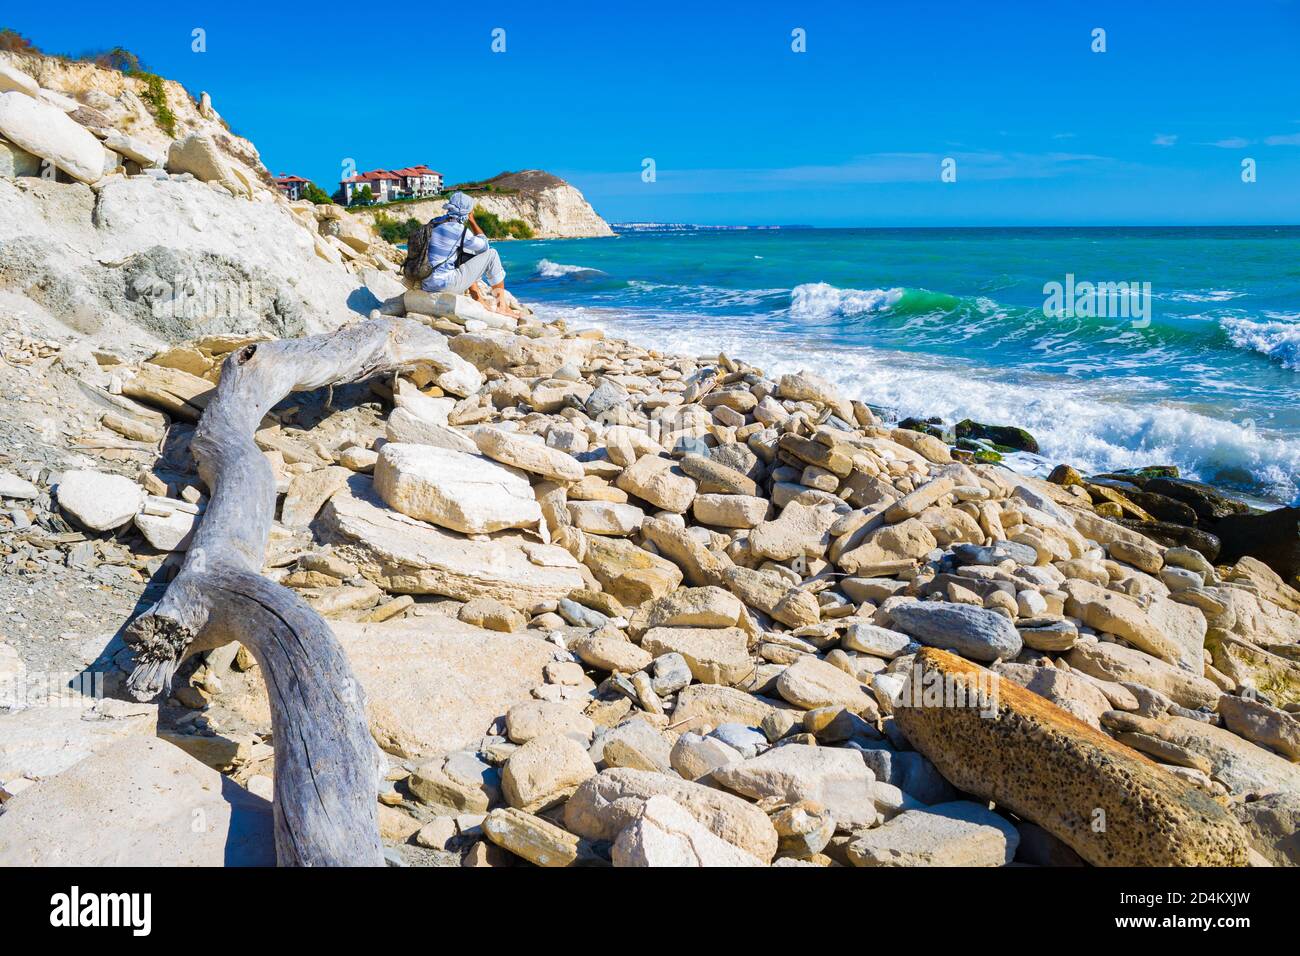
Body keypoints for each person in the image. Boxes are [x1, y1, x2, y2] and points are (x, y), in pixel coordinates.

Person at [420, 191, 520, 316]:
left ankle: (477, 298)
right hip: (445, 284)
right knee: (492, 254)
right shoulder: (459, 230)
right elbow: (484, 246)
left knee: (465, 250)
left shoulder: (433, 223)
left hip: (426, 281)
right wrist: (472, 221)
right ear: (467, 212)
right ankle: (502, 306)